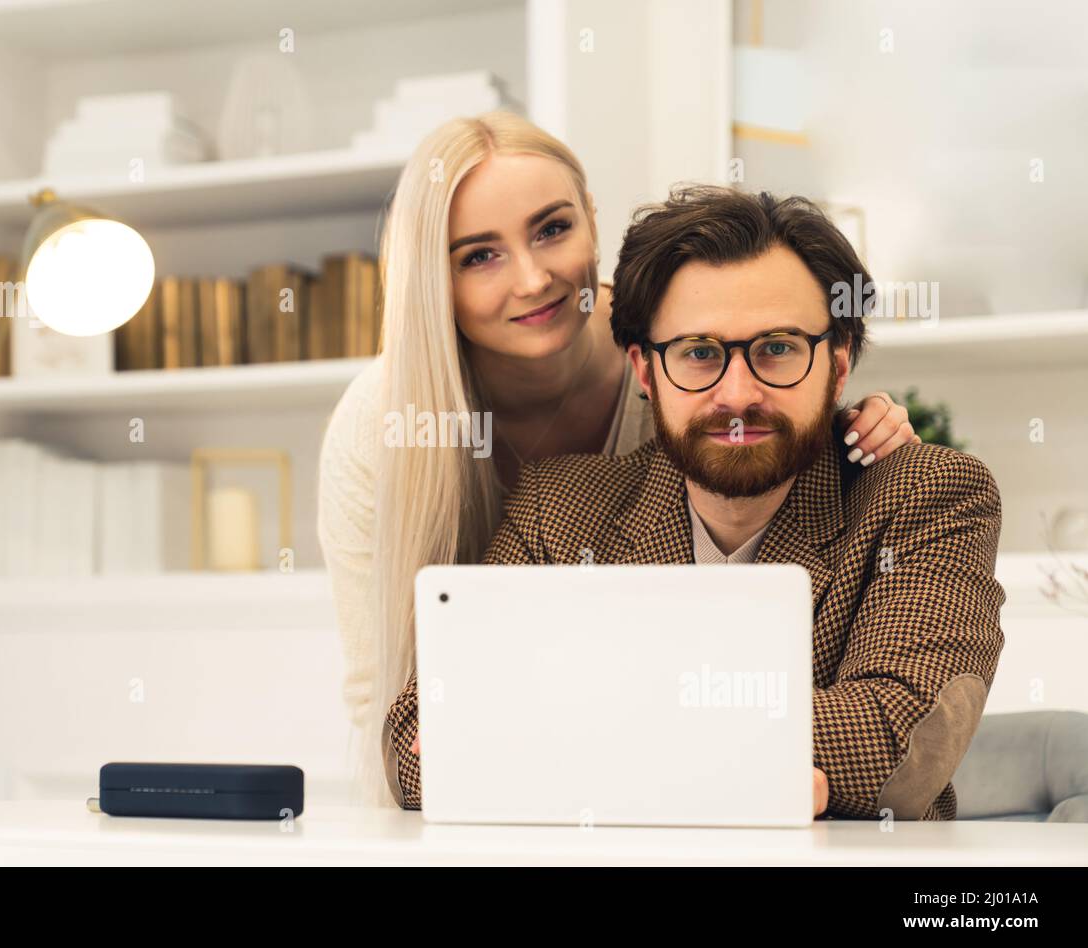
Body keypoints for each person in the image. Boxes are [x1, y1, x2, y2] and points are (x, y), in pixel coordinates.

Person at [317, 112, 921, 807]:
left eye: (552, 229)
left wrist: (840, 443)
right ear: (433, 276)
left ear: (592, 220)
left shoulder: (681, 363)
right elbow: (388, 700)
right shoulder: (380, 426)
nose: (534, 278)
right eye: (479, 255)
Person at [383, 185, 1005, 821]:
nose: (738, 395)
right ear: (646, 373)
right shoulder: (560, 510)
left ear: (838, 366)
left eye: (779, 348)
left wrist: (554, 729)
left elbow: (892, 744)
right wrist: (742, 752)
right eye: (700, 354)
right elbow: (417, 739)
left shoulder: (927, 497)